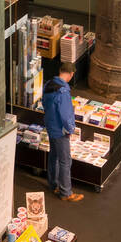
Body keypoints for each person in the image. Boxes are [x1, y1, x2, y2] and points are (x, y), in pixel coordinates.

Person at [42, 60, 84, 203]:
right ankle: (65, 192)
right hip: (60, 130)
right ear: (71, 74)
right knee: (65, 160)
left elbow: (44, 103)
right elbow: (65, 114)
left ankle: (53, 184)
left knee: (54, 155)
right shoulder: (63, 91)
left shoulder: (48, 84)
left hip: (50, 125)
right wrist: (70, 128)